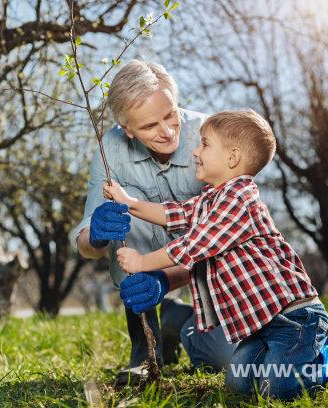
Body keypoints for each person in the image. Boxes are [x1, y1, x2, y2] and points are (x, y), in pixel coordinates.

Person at [103, 110, 328, 398]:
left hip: (294, 318)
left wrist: (143, 262)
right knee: (239, 384)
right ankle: (292, 368)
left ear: (232, 158)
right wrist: (129, 202)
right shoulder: (211, 199)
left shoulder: (240, 199)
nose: (195, 151)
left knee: (279, 388)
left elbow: (196, 243)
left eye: (205, 144)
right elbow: (172, 213)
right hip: (260, 325)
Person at [71, 60, 238, 385]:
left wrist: (164, 281)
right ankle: (145, 349)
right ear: (127, 130)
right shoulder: (112, 150)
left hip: (212, 267)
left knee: (225, 359)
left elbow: (231, 242)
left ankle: (180, 319)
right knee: (123, 210)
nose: (167, 131)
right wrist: (96, 236)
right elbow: (84, 243)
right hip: (147, 256)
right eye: (149, 126)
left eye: (170, 114)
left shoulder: (209, 139)